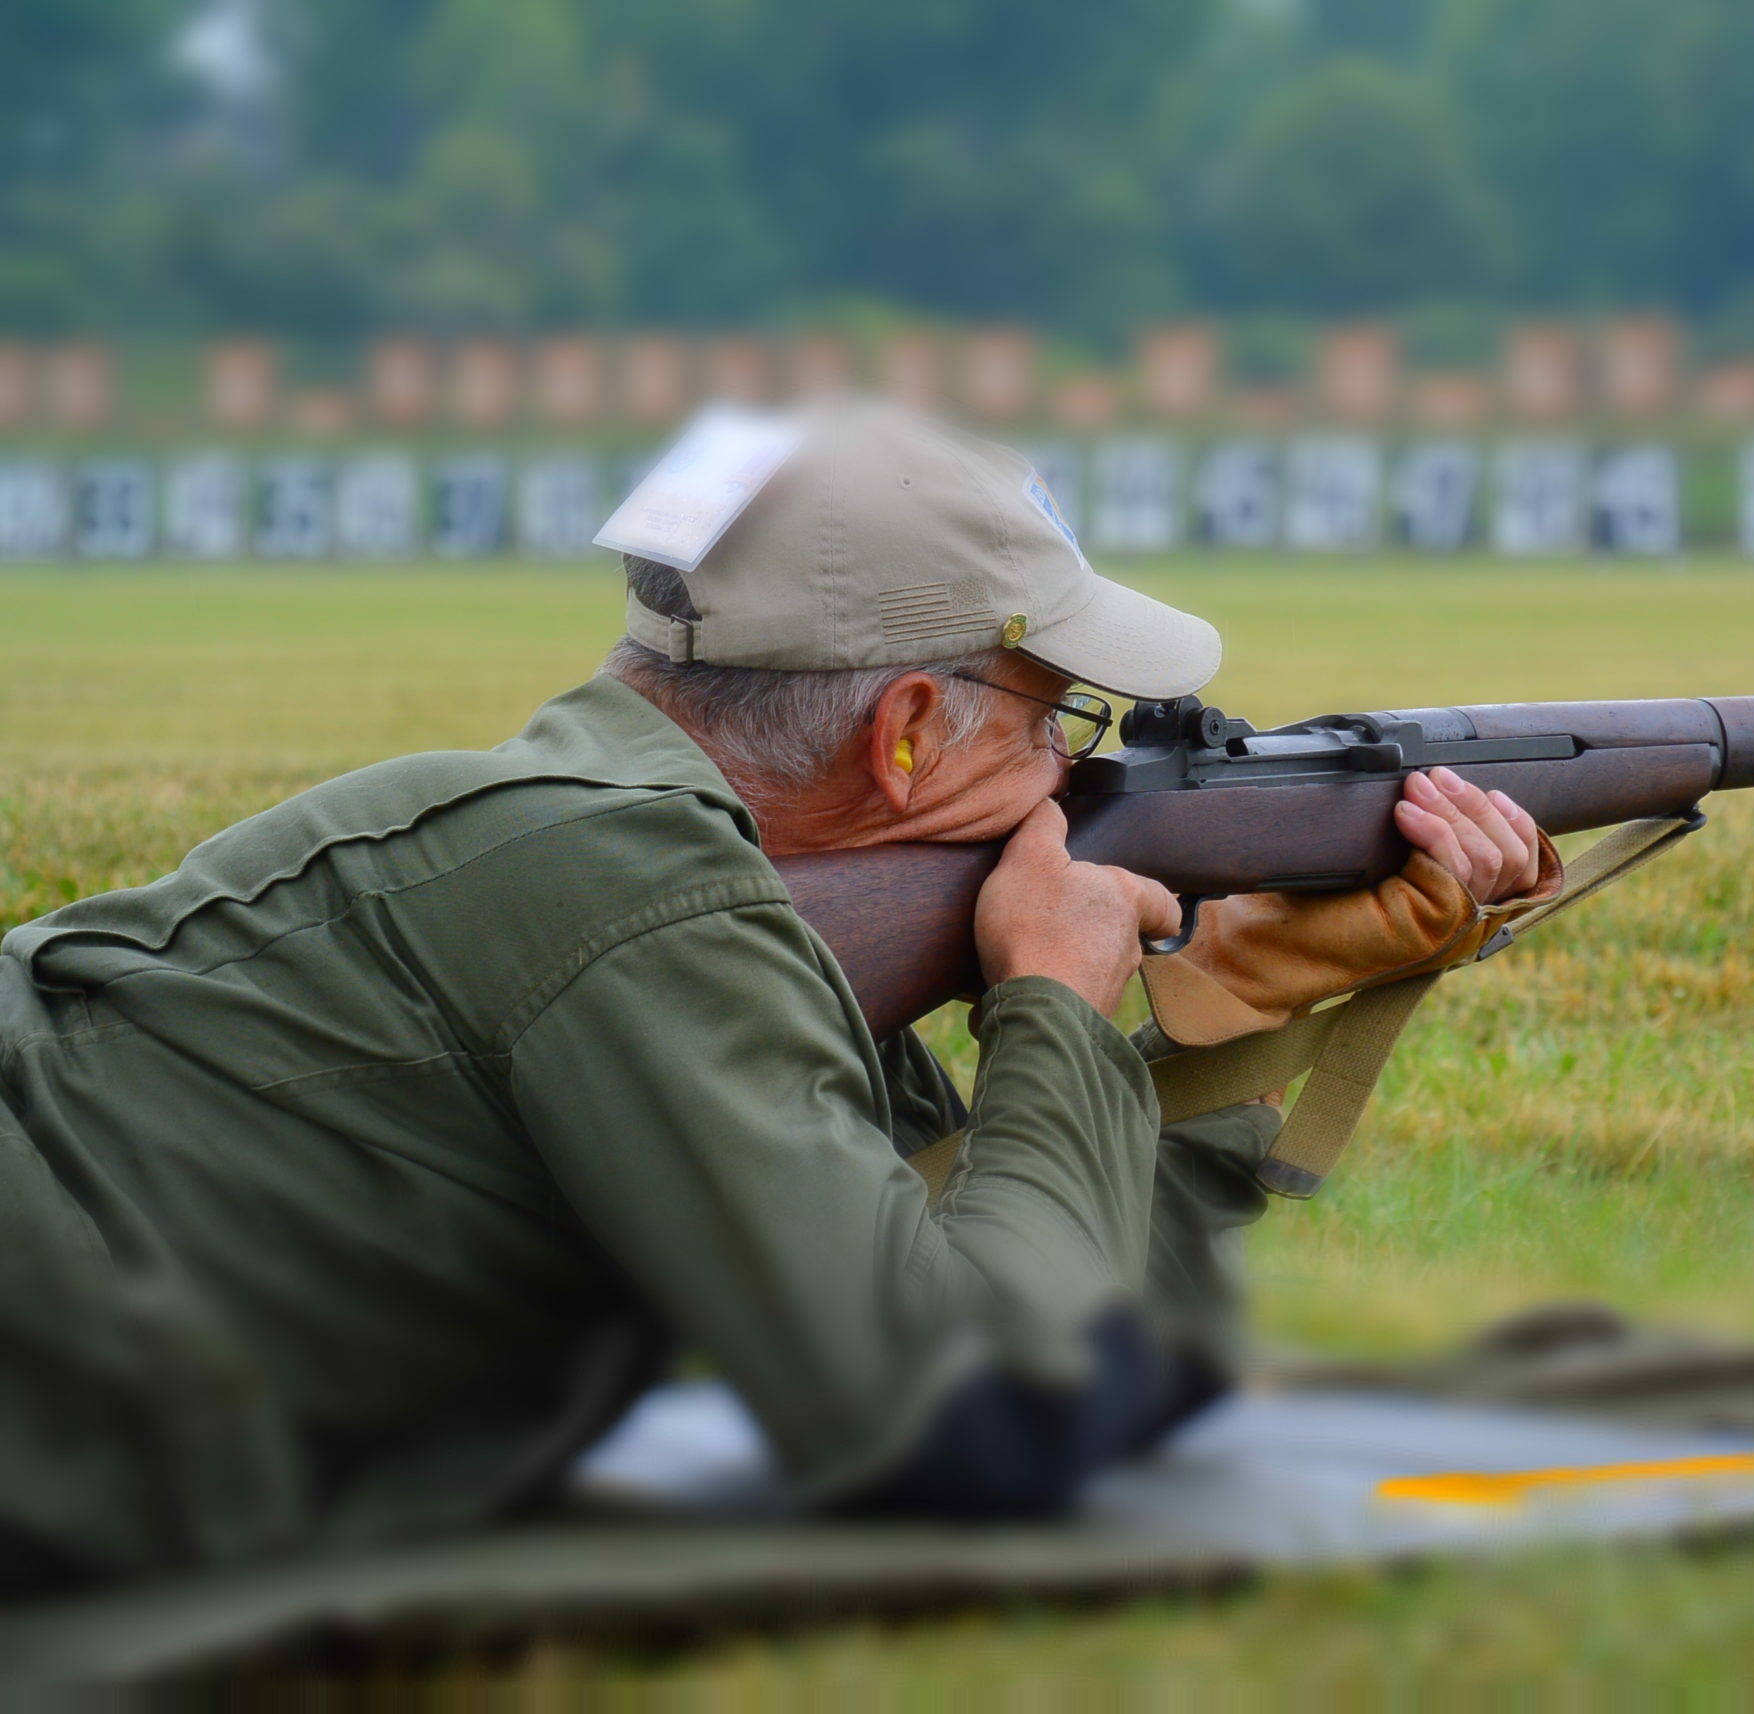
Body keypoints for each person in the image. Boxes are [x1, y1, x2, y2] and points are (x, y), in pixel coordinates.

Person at [0, 401, 1550, 1597]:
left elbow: (1013, 1268)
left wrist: (1249, 986)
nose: (1076, 771)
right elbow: (973, 1419)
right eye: (1057, 719)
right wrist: (1056, 1008)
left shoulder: (656, 863)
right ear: (907, 730)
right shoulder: (634, 891)